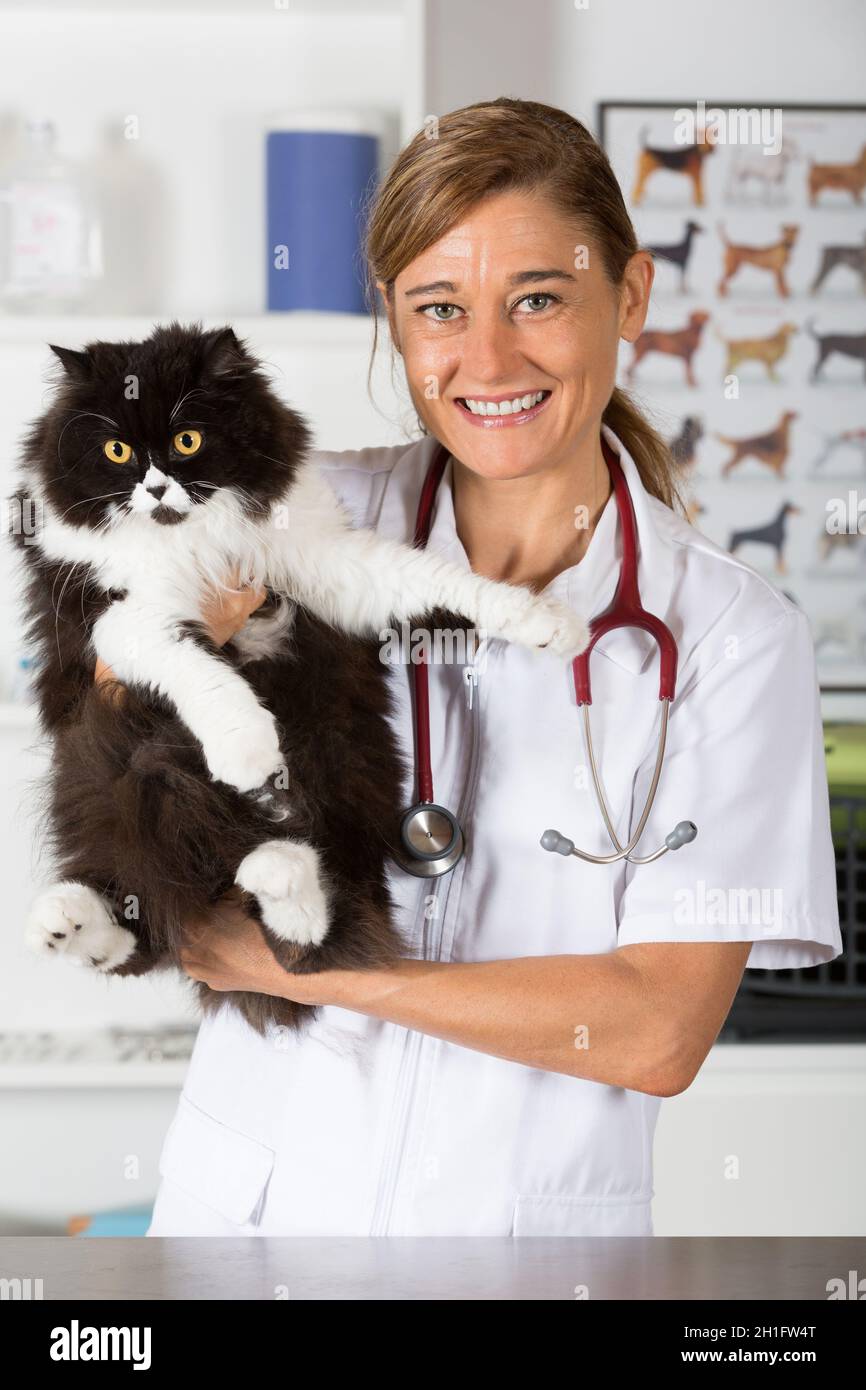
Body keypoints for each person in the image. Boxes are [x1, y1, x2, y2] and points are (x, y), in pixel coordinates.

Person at [100, 98, 841, 1237]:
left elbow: (653, 1032)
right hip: (245, 1222)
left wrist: (311, 969)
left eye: (536, 299)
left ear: (629, 295)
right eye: (438, 308)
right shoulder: (306, 518)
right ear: (394, 322)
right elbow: (106, 703)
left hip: (520, 1243)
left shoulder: (729, 638)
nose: (486, 359)